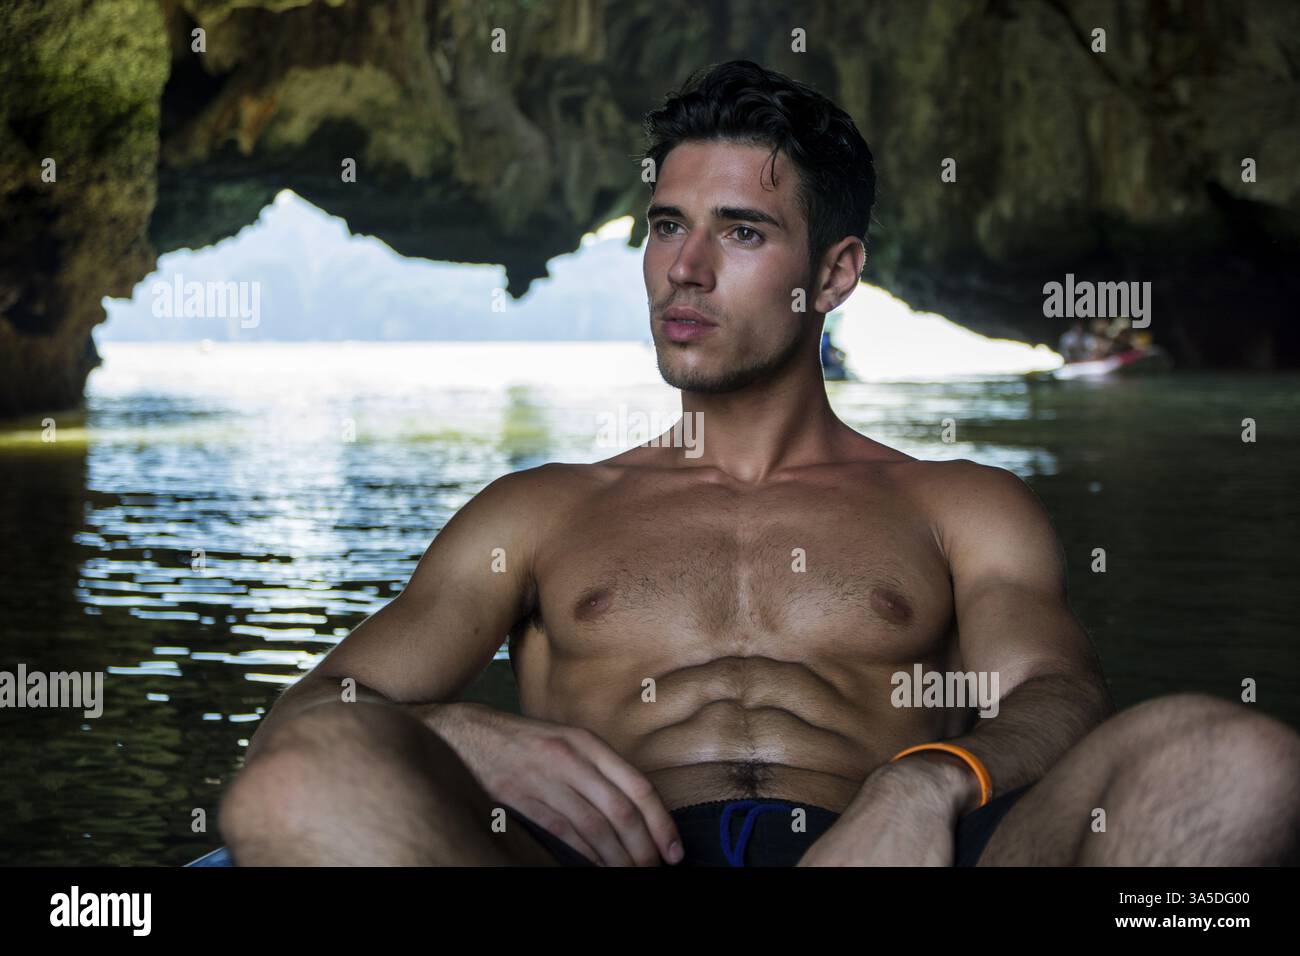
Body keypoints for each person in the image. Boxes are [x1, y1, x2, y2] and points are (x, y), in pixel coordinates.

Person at [217, 60, 1300, 867]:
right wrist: (458, 735)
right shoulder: (537, 509)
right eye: (664, 225)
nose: (682, 269)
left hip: (885, 852)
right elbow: (313, 708)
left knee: (1238, 759)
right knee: (302, 778)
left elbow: (1056, 696)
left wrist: (931, 780)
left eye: (740, 232)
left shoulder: (957, 504)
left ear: (832, 274)